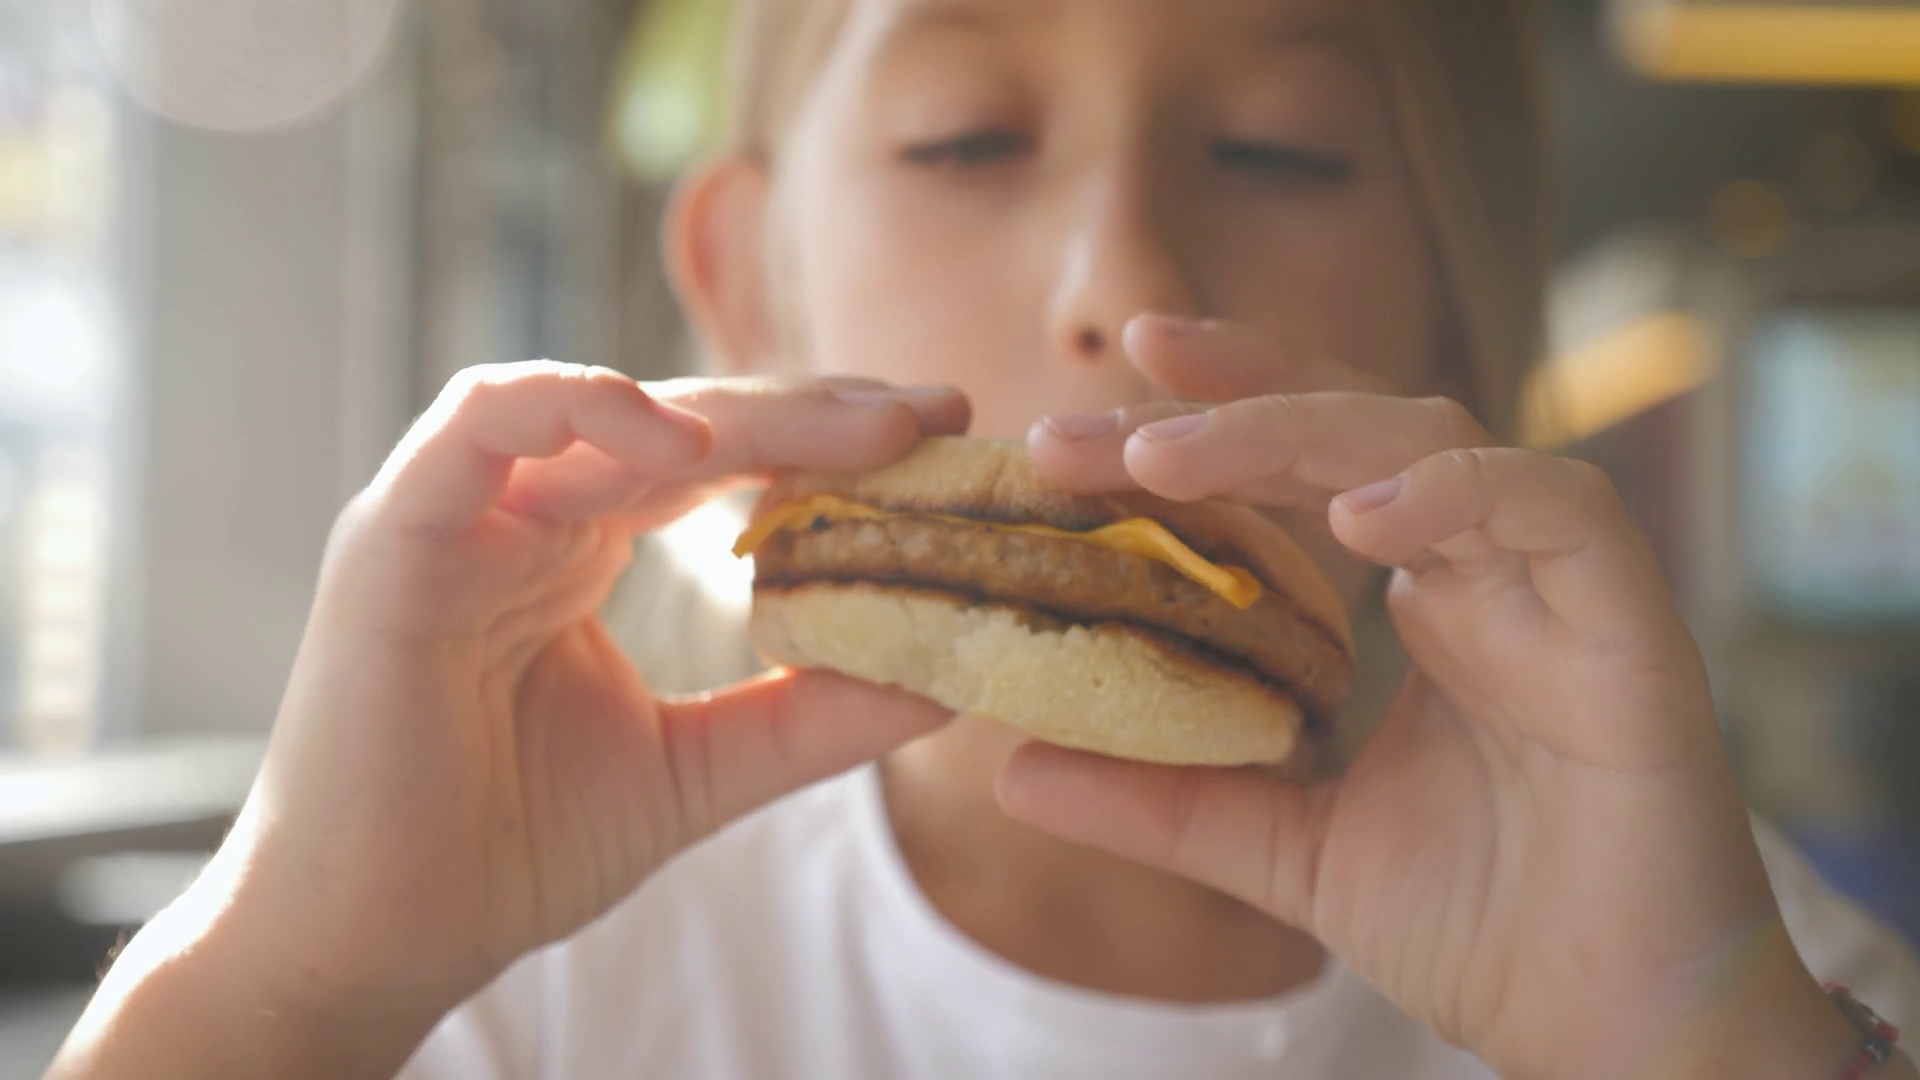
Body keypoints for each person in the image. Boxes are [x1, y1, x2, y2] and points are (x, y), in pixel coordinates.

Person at [47, 0, 1920, 1077]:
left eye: (1281, 148)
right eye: (964, 141)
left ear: (1455, 323)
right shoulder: (515, 992)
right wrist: (293, 981)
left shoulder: (1716, 945)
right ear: (739, 282)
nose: (1124, 282)